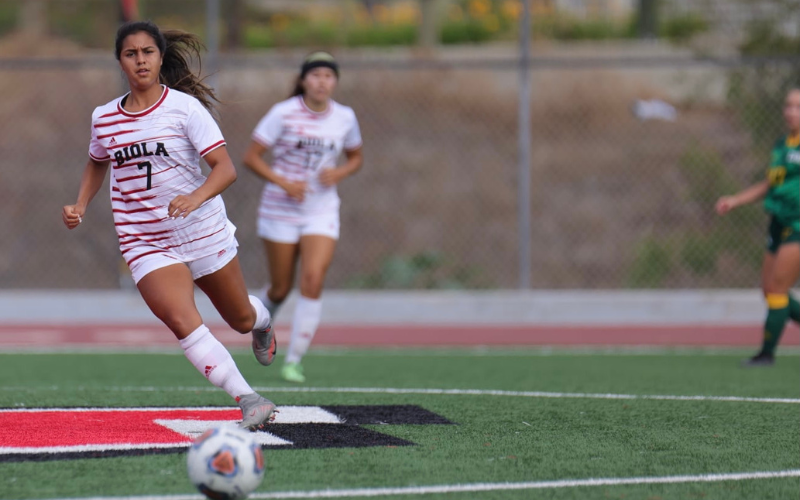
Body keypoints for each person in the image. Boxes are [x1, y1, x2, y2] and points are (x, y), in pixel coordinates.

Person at [62, 21, 278, 429]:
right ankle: (249, 398)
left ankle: (262, 323)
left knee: (239, 319)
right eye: (131, 53)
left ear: (160, 57)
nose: (140, 60)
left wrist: (195, 198)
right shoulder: (104, 117)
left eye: (148, 52)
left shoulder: (184, 108)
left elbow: (225, 169)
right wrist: (80, 204)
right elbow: (97, 160)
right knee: (182, 321)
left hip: (201, 230)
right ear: (120, 61)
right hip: (144, 240)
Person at [242, 52, 363, 383]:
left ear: (335, 81)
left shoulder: (345, 117)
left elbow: (355, 157)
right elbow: (251, 157)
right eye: (316, 75)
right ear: (303, 80)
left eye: (328, 75)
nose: (322, 81)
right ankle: (263, 328)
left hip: (320, 211)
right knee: (280, 288)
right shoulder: (283, 113)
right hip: (279, 211)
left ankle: (294, 360)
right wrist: (284, 182)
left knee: (312, 278)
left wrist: (338, 174)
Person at [715, 88, 800, 367]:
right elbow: (770, 184)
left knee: (777, 289)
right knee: (769, 289)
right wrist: (736, 200)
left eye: (797, 106)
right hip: (777, 221)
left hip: (798, 223)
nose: (790, 111)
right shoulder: (782, 145)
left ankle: (766, 354)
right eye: (788, 105)